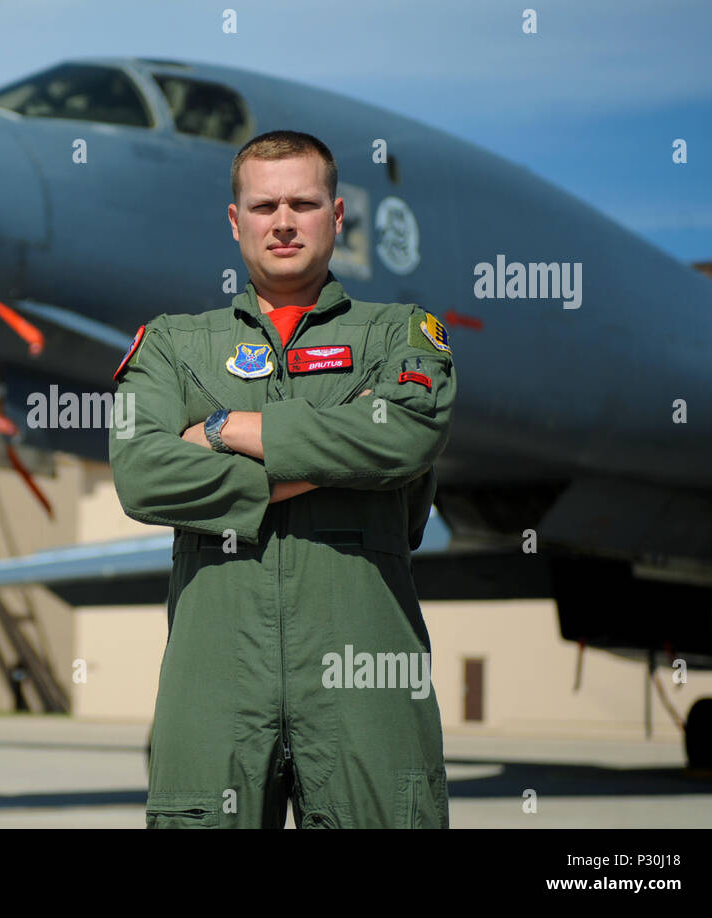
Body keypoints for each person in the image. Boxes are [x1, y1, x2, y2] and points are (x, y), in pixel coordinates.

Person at [109, 130, 456, 828]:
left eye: (304, 203)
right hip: (215, 682)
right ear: (235, 220)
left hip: (368, 680)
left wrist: (221, 429)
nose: (284, 222)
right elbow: (141, 474)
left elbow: (404, 436)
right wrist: (333, 455)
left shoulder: (399, 334)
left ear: (338, 215)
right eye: (264, 206)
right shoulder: (174, 344)